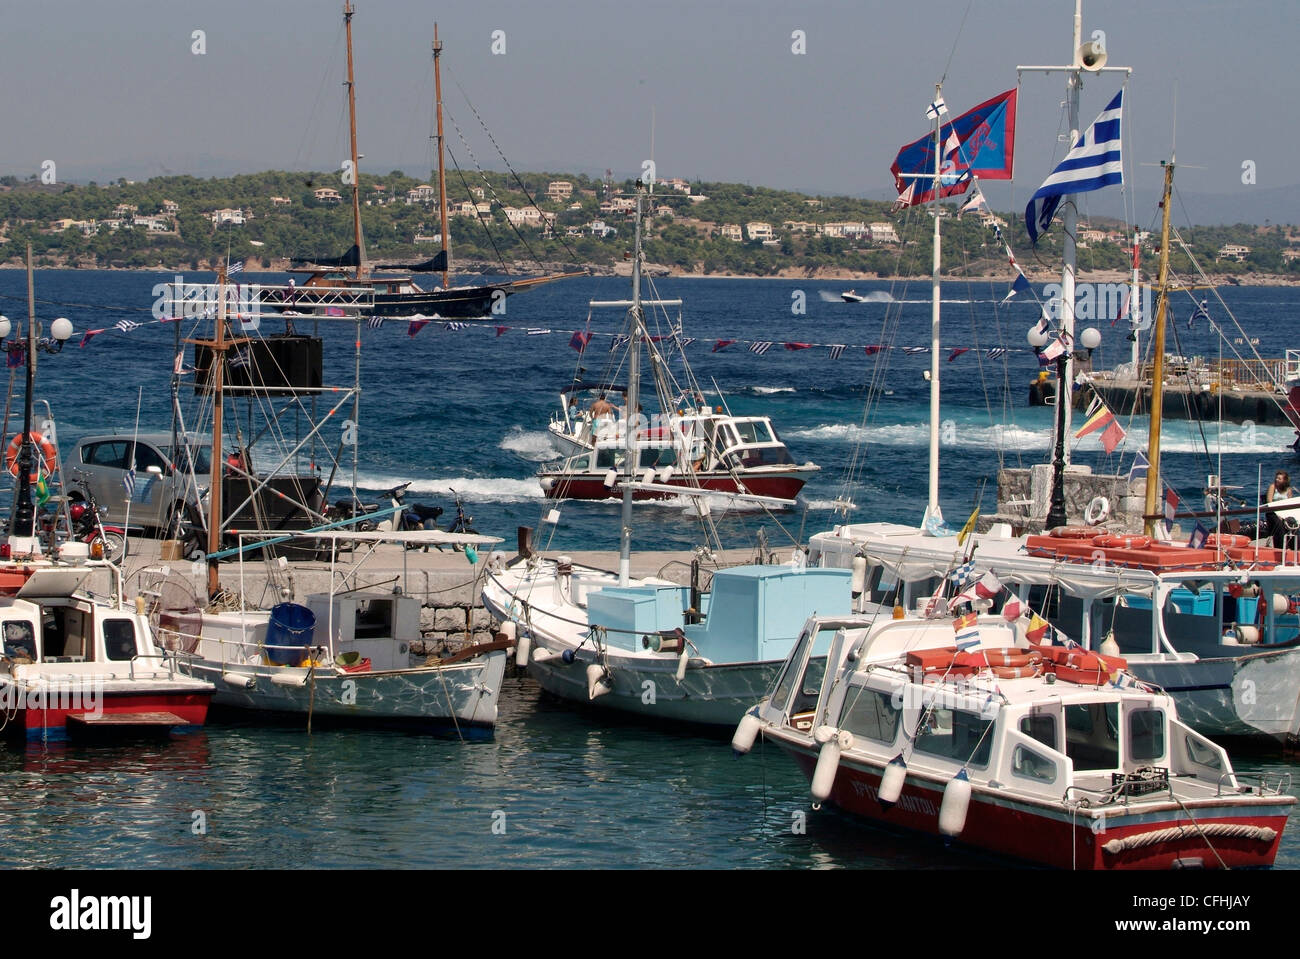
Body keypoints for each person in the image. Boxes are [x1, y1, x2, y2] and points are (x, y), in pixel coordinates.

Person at [1266, 470, 1295, 547]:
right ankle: (1280, 547)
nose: (1276, 480)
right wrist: (1277, 513)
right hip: (1273, 512)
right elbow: (1269, 501)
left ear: (1284, 480)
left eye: (1279, 478)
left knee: (1294, 522)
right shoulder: (1272, 487)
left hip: (1284, 512)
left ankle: (1293, 546)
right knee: (1279, 524)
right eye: (1276, 478)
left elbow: (1290, 502)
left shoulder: (1288, 489)